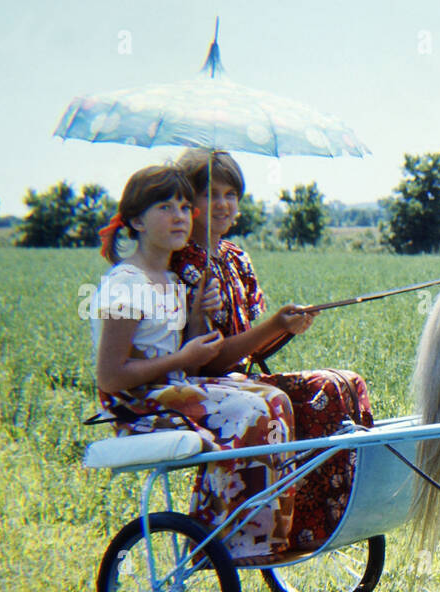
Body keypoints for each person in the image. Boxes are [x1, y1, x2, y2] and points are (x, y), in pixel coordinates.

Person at [91, 164, 297, 562]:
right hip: (136, 404)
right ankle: (215, 533)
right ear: (136, 221)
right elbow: (111, 376)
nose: (180, 217)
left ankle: (258, 530)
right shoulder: (128, 282)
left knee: (275, 399)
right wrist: (183, 357)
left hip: (171, 391)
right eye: (165, 207)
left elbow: (189, 360)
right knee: (250, 408)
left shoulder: (171, 280)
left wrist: (200, 316)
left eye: (185, 207)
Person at [171, 149, 374, 552]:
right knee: (277, 400)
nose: (223, 204)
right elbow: (214, 359)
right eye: (211, 194)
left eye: (231, 195)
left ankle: (317, 523)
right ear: (187, 202)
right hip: (204, 385)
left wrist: (286, 329)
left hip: (242, 378)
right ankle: (252, 533)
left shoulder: (236, 259)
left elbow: (249, 348)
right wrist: (274, 324)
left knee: (339, 387)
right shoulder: (182, 263)